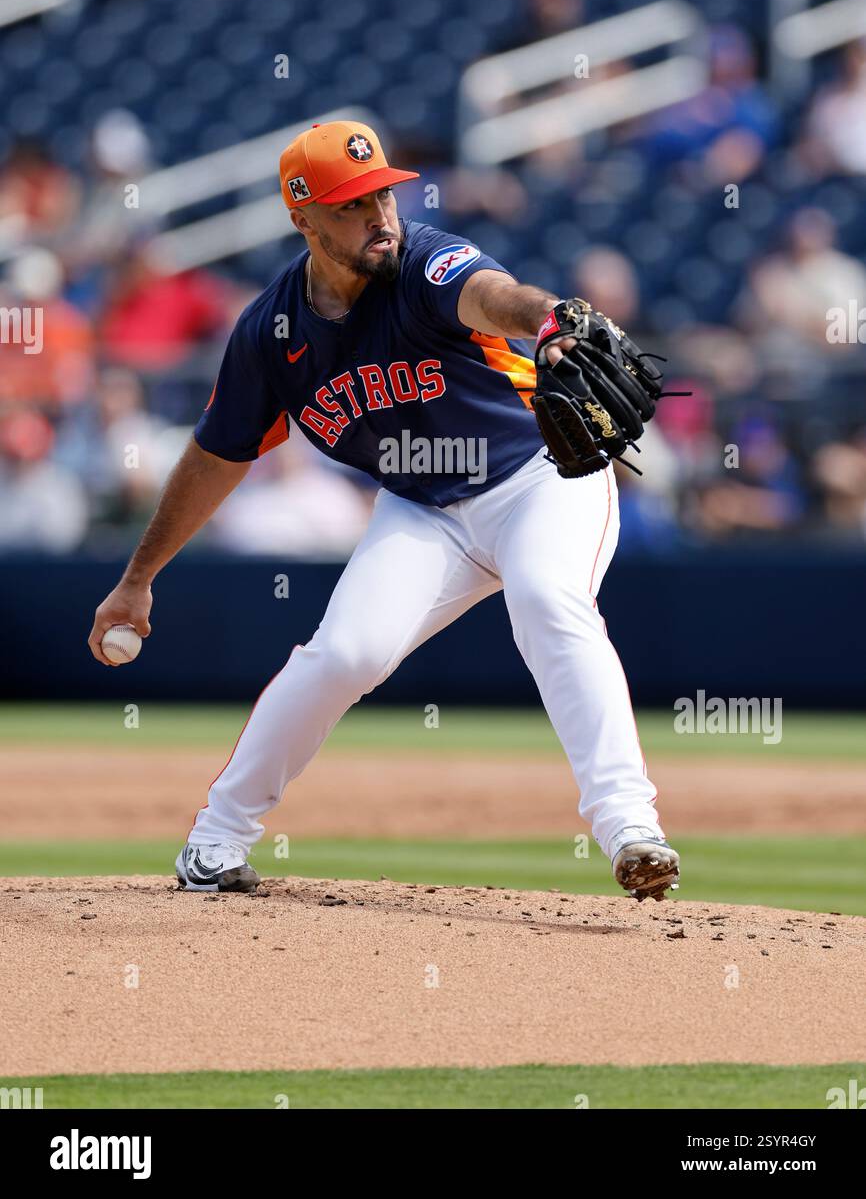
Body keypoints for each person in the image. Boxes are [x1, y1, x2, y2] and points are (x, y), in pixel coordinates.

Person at [88, 120, 679, 901]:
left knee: (547, 597)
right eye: (352, 204)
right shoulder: (271, 334)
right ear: (304, 220)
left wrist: (546, 319)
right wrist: (138, 578)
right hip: (423, 509)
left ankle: (629, 826)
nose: (380, 215)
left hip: (539, 477)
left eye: (383, 194)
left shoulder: (425, 263)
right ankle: (214, 841)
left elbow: (496, 296)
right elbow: (216, 456)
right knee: (346, 655)